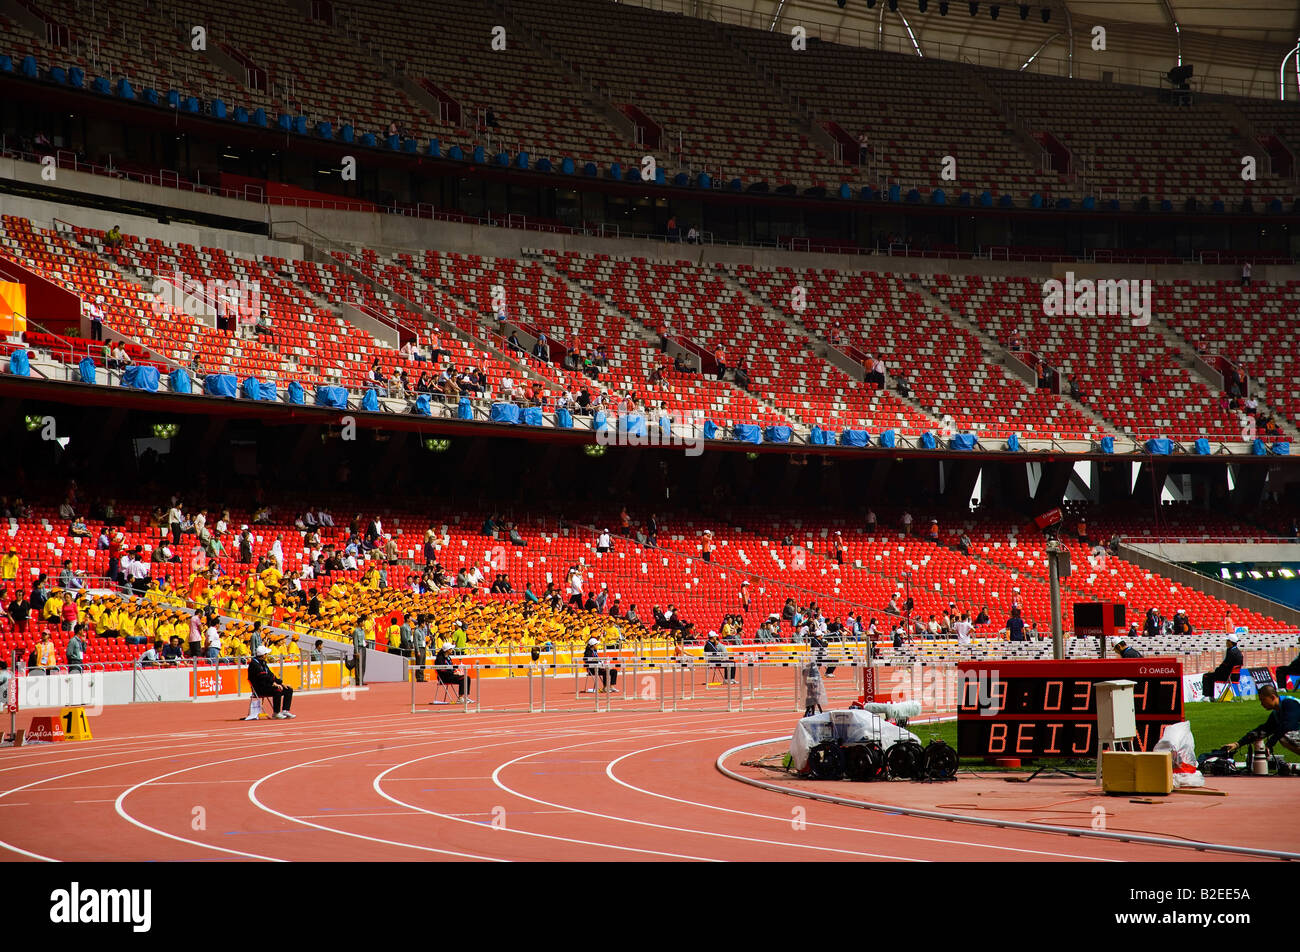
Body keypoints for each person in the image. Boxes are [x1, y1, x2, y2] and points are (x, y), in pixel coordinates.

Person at [1224, 685, 1299, 760]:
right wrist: (1238, 744)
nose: (1261, 703)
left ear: (1272, 697)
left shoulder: (1290, 703)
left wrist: (1270, 744)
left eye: (1263, 700)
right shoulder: (1277, 712)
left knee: (1285, 737)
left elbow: (1288, 725)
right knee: (1282, 735)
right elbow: (1264, 730)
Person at [247, 645, 295, 719]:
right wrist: (273, 684)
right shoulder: (254, 664)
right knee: (278, 690)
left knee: (288, 689)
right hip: (259, 688)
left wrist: (281, 683)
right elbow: (262, 678)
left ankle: (285, 710)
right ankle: (276, 713)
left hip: (267, 685)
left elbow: (270, 675)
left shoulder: (263, 663)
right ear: (263, 655)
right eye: (266, 654)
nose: (267, 655)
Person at [1201, 632, 1244, 699]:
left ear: (1230, 642)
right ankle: (1211, 696)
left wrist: (1215, 671)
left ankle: (1207, 696)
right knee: (1212, 676)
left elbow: (1225, 666)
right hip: (1236, 676)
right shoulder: (1238, 652)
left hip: (1228, 676)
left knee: (1207, 676)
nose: (1226, 642)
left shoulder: (1231, 652)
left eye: (1227, 641)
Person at [352, 614, 369, 686]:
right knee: (358, 665)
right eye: (362, 622)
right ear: (359, 623)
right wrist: (356, 652)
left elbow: (363, 639)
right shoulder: (356, 631)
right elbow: (355, 641)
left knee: (363, 664)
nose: (363, 623)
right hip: (359, 648)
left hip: (363, 648)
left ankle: (362, 679)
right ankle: (358, 680)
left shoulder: (363, 631)